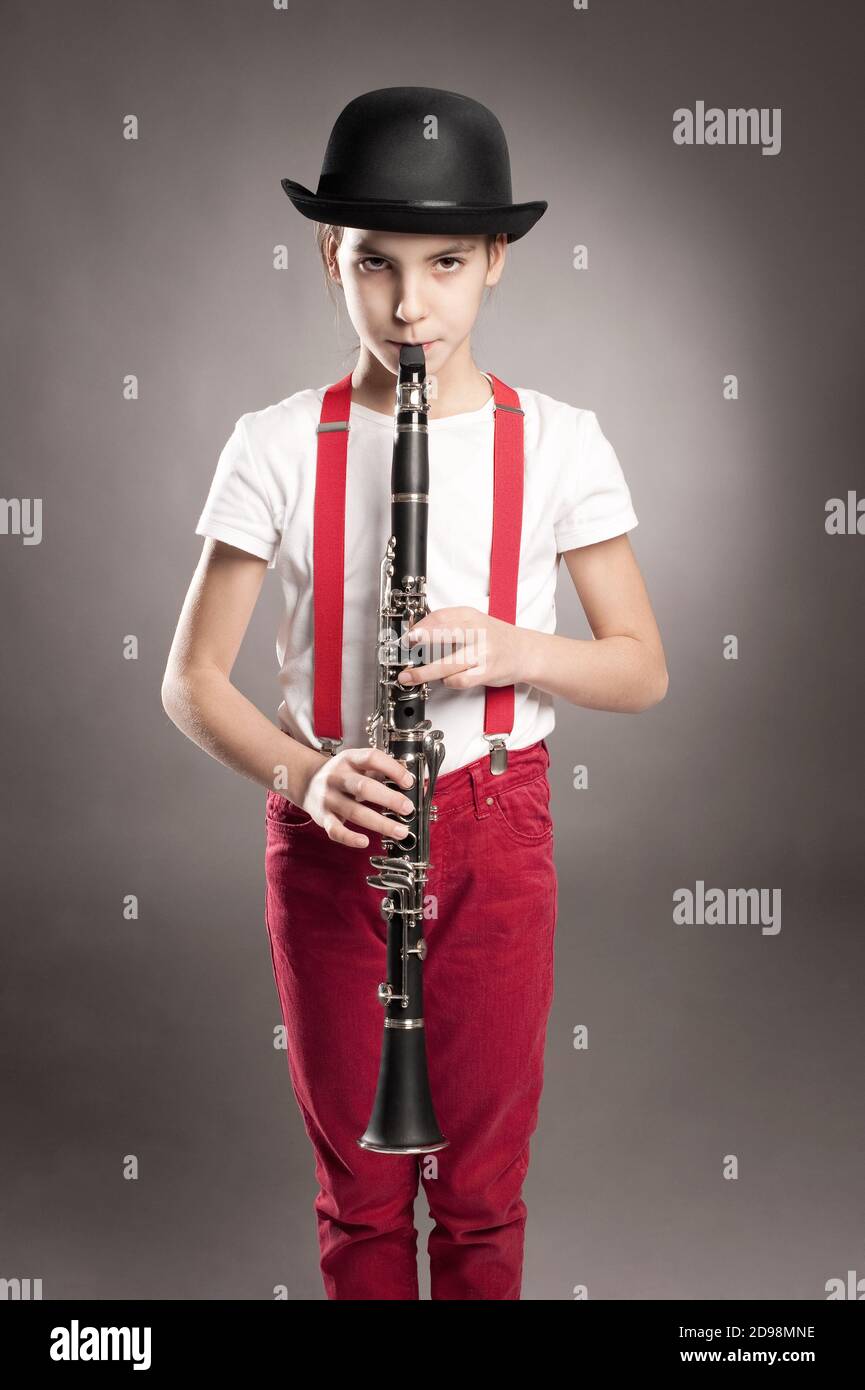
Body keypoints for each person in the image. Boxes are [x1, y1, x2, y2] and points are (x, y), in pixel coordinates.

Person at [161, 86, 668, 1300]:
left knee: (485, 1192)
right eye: (372, 263)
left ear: (496, 260)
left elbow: (640, 667)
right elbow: (190, 681)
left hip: (501, 825)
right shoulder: (276, 441)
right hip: (337, 826)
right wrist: (310, 772)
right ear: (325, 258)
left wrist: (511, 647)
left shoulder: (560, 440)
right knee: (362, 1197)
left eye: (445, 261)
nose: (407, 303)